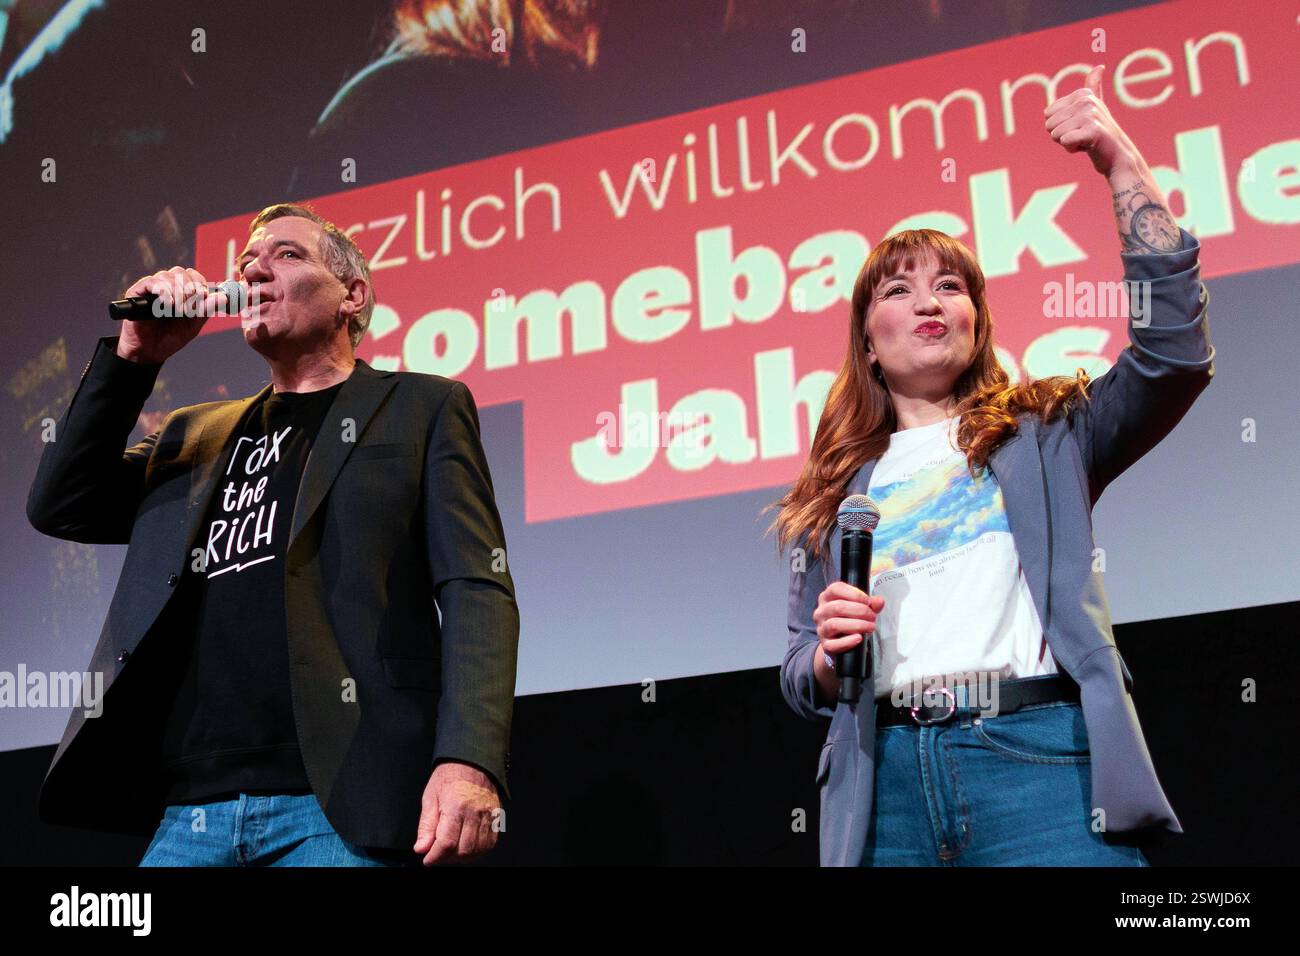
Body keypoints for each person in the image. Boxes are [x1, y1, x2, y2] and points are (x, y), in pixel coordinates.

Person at [771, 66, 1214, 866]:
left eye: (950, 285)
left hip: (1039, 761)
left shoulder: (1045, 434)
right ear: (867, 341)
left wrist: (1122, 165)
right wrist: (831, 662)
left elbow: (1172, 356)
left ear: (975, 321)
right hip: (887, 788)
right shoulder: (833, 497)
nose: (930, 300)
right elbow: (801, 669)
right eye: (899, 290)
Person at [27, 203, 519, 866]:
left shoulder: (421, 407)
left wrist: (468, 759)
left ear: (353, 295)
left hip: (340, 806)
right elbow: (63, 504)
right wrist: (134, 359)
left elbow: (475, 588)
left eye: (287, 254)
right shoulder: (191, 432)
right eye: (245, 262)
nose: (253, 266)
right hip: (190, 813)